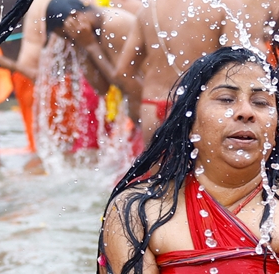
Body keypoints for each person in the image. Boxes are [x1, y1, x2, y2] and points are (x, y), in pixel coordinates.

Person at [99, 47, 279, 273]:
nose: (246, 112)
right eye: (226, 99)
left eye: (261, 102)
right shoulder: (139, 211)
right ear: (190, 122)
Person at [117, 0, 244, 144]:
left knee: (158, 176)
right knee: (201, 176)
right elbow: (235, 71)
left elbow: (123, 71)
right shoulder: (226, 1)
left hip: (152, 105)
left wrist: (143, 99)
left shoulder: (153, 0)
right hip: (196, 108)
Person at [35, 0, 140, 162]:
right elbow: (102, 89)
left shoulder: (113, 25)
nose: (69, 41)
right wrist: (81, 45)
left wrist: (90, 45)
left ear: (76, 17)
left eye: (67, 36)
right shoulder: (87, 34)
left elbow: (124, 83)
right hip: (139, 119)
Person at [14, 0, 98, 151]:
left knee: (59, 145)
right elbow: (52, 48)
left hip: (51, 81)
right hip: (36, 79)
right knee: (47, 149)